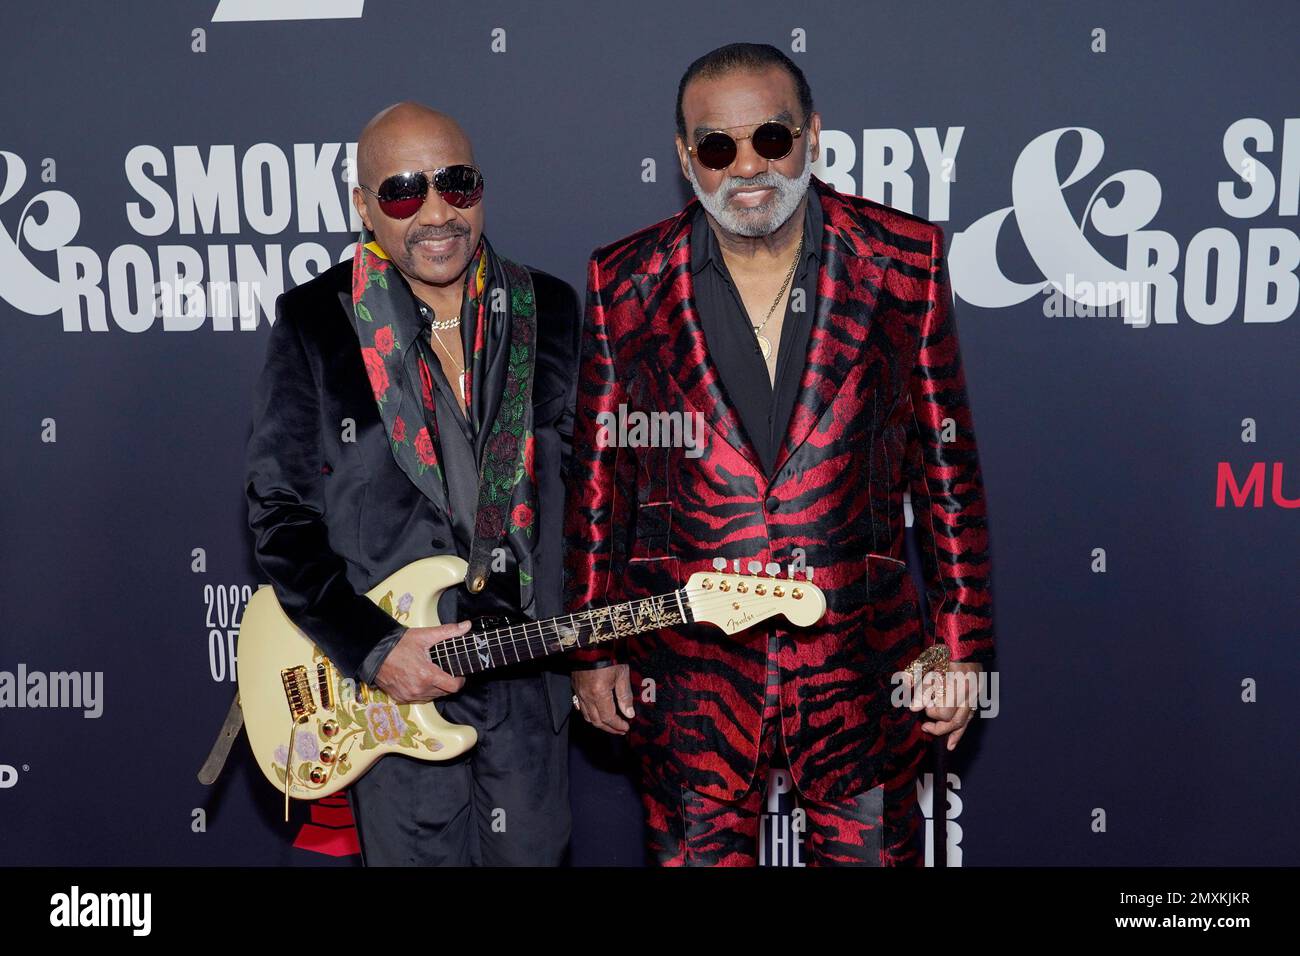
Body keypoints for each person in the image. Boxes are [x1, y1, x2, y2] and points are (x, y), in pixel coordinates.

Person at [565, 43, 994, 866]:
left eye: (772, 138)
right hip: (690, 674)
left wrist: (961, 643)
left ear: (813, 135)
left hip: (861, 664)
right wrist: (594, 646)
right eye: (719, 148)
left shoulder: (906, 260)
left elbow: (947, 473)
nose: (749, 167)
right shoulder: (623, 279)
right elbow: (598, 482)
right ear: (688, 158)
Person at [244, 101, 579, 866]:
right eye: (403, 191)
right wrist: (377, 649)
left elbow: (591, 495)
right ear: (363, 207)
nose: (436, 212)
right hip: (393, 687)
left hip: (526, 682)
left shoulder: (547, 309)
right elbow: (280, 516)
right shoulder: (316, 323)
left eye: (456, 184)